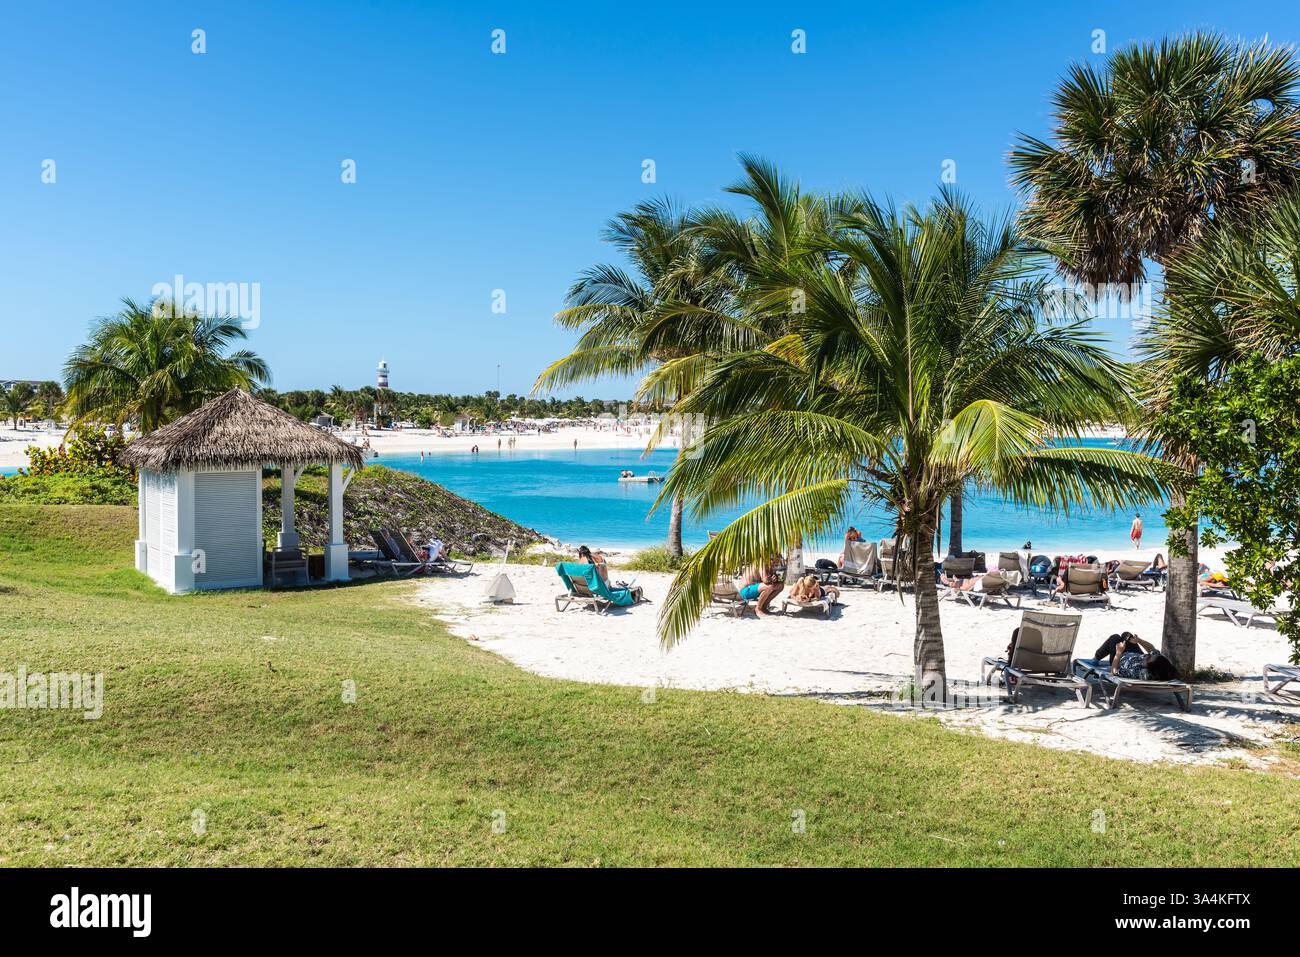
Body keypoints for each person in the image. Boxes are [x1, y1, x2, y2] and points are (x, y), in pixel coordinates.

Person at [1105, 633, 1178, 681]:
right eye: (1150, 655)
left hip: (1118, 659)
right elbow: (1151, 648)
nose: (1146, 656)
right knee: (1127, 635)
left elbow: (1114, 671)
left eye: (1148, 658)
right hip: (1133, 653)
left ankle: (1097, 657)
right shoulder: (1157, 660)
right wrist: (1139, 640)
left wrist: (1118, 652)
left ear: (1149, 668)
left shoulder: (1135, 672)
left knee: (1115, 637)